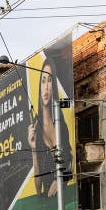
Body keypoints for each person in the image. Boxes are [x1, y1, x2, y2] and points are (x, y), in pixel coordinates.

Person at [27, 57, 73, 198]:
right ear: (40, 86)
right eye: (43, 81)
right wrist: (34, 149)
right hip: (48, 203)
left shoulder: (60, 122)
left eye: (50, 80)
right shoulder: (35, 127)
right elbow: (38, 189)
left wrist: (59, 179)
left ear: (53, 86)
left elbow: (71, 161)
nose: (46, 86)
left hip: (66, 200)